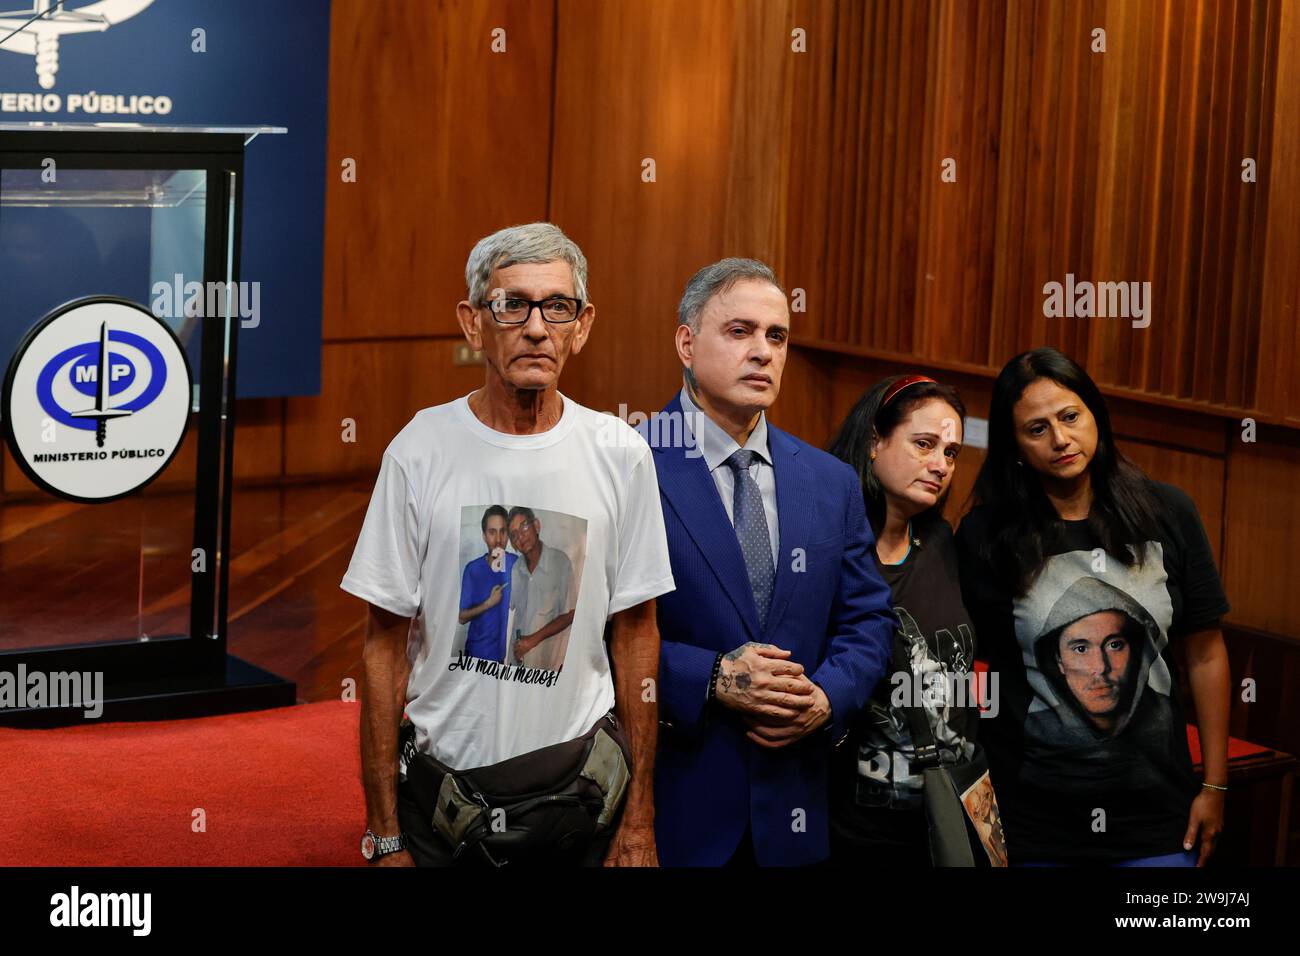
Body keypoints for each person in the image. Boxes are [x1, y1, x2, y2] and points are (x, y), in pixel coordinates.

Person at [341, 223, 675, 867]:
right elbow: (382, 648)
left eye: (558, 306)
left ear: (582, 325)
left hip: (581, 802)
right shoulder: (420, 448)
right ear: (473, 323)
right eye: (511, 304)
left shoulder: (621, 454)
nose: (537, 327)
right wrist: (383, 834)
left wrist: (640, 819)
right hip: (443, 806)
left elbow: (637, 635)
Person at [644, 257, 895, 866]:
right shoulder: (630, 463)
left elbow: (869, 621)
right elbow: (591, 628)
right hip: (673, 801)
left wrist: (828, 696)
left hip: (796, 807)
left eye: (776, 336)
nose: (763, 352)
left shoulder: (831, 482)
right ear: (686, 342)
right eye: (739, 332)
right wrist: (708, 677)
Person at [955, 346, 1231, 867]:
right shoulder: (987, 534)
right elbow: (978, 667)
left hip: (1156, 816)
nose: (1060, 439)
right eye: (1036, 429)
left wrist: (1215, 785)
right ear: (1014, 446)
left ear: (1095, 416)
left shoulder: (1168, 512)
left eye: (1070, 416)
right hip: (1034, 821)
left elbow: (1206, 653)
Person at [826, 374, 1003, 866]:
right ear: (874, 443)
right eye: (924, 444)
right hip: (861, 825)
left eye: (950, 452)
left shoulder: (944, 544)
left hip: (957, 806)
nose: (940, 465)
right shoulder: (828, 555)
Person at [506, 505, 575, 670]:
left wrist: (532, 640)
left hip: (546, 662)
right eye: (514, 535)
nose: (520, 537)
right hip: (517, 662)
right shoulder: (516, 568)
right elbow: (514, 612)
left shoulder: (560, 562)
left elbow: (571, 614)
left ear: (536, 526)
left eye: (524, 526)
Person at [457, 505, 516, 662]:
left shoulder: (517, 564)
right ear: (484, 536)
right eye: (492, 532)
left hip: (508, 661)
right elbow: (461, 617)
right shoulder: (473, 569)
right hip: (476, 657)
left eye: (503, 531)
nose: (498, 539)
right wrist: (488, 604)